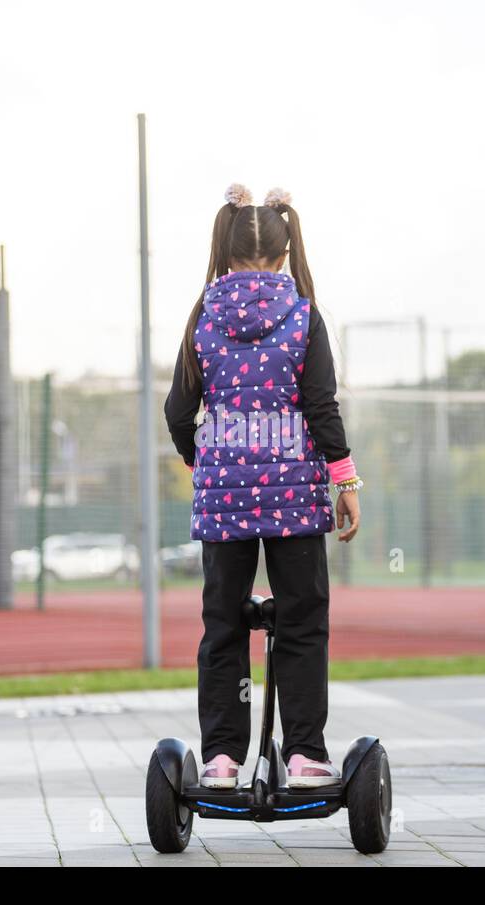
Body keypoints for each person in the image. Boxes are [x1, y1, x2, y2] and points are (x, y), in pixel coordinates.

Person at [164, 183, 362, 790]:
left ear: (224, 252)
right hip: (296, 500)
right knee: (302, 620)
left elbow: (178, 410)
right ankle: (304, 755)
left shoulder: (202, 315)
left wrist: (210, 465)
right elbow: (321, 406)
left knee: (222, 624)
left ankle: (221, 759)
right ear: (283, 254)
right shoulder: (304, 316)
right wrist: (345, 481)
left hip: (223, 502)